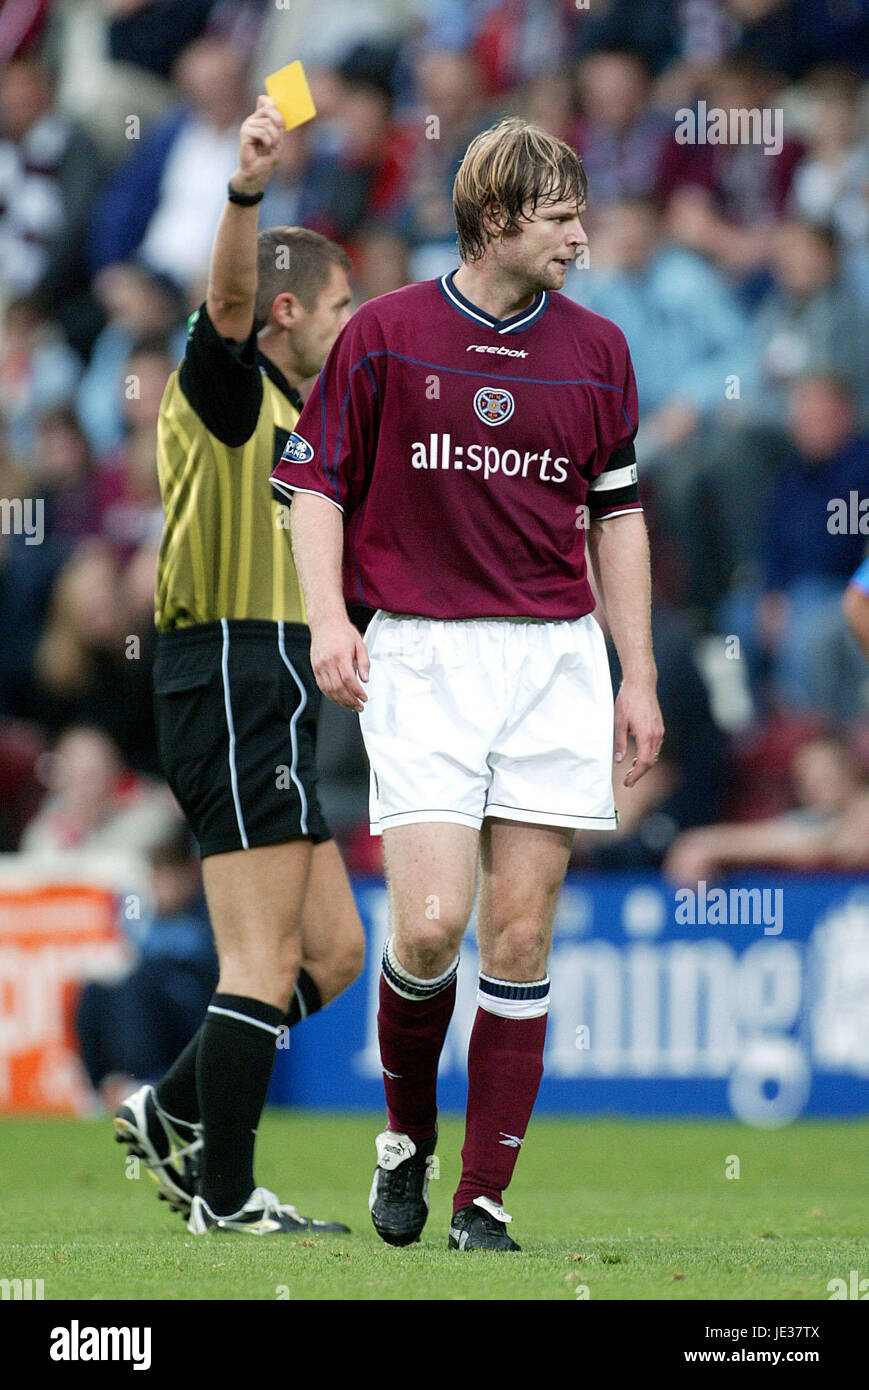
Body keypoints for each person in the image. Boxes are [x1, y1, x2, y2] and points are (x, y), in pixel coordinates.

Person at [274, 116, 664, 1251]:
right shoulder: (386, 334)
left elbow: (618, 517)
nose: (581, 238)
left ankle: (481, 1201)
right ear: (494, 220)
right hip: (425, 655)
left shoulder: (598, 350)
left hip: (551, 656)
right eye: (558, 218)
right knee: (433, 924)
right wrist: (329, 618)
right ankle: (403, 1135)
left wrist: (633, 674)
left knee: (522, 934)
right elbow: (315, 487)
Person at [114, 95, 365, 1237]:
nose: (349, 324)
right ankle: (223, 1195)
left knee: (334, 952)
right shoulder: (227, 392)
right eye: (340, 306)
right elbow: (218, 304)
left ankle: (169, 1109)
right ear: (282, 312)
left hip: (271, 672)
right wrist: (247, 183)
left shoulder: (298, 415)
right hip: (224, 663)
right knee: (259, 957)